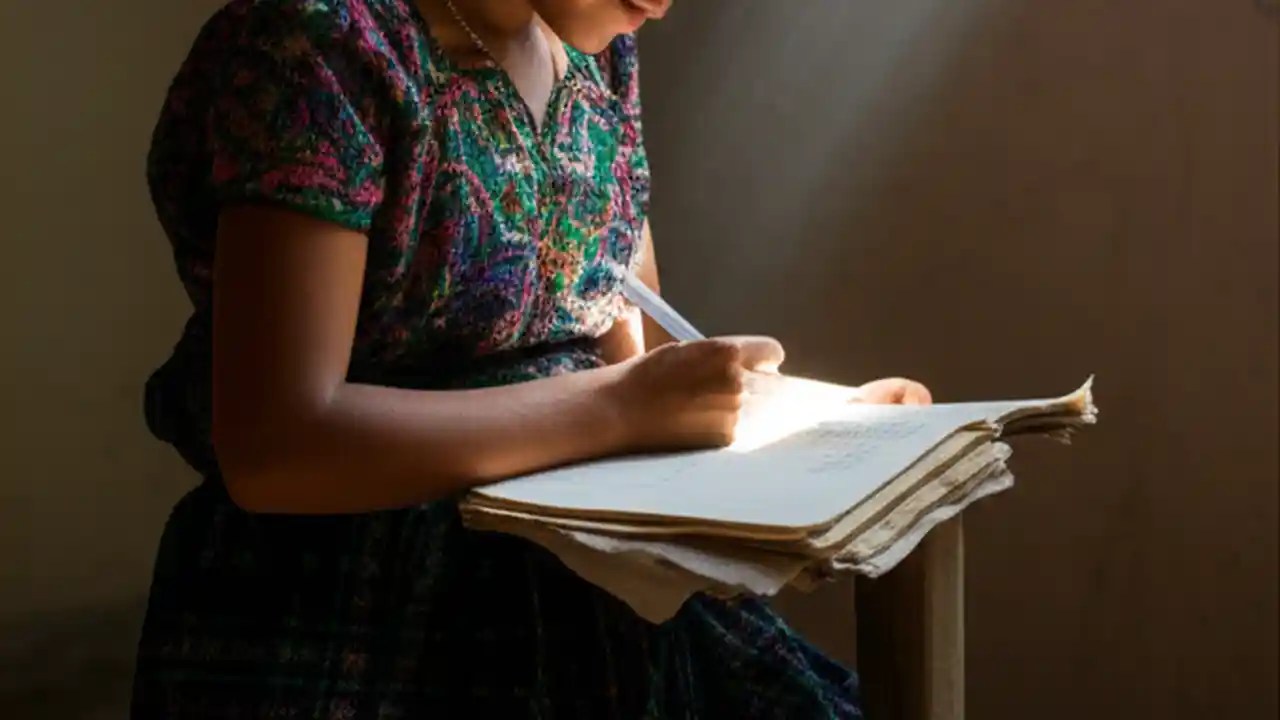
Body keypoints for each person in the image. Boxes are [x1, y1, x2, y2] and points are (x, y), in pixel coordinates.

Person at [131, 0, 932, 716]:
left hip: (597, 601)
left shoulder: (596, 58)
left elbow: (633, 362)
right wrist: (621, 407)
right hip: (353, 619)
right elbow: (277, 446)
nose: (662, 5)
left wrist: (813, 417)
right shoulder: (326, 47)